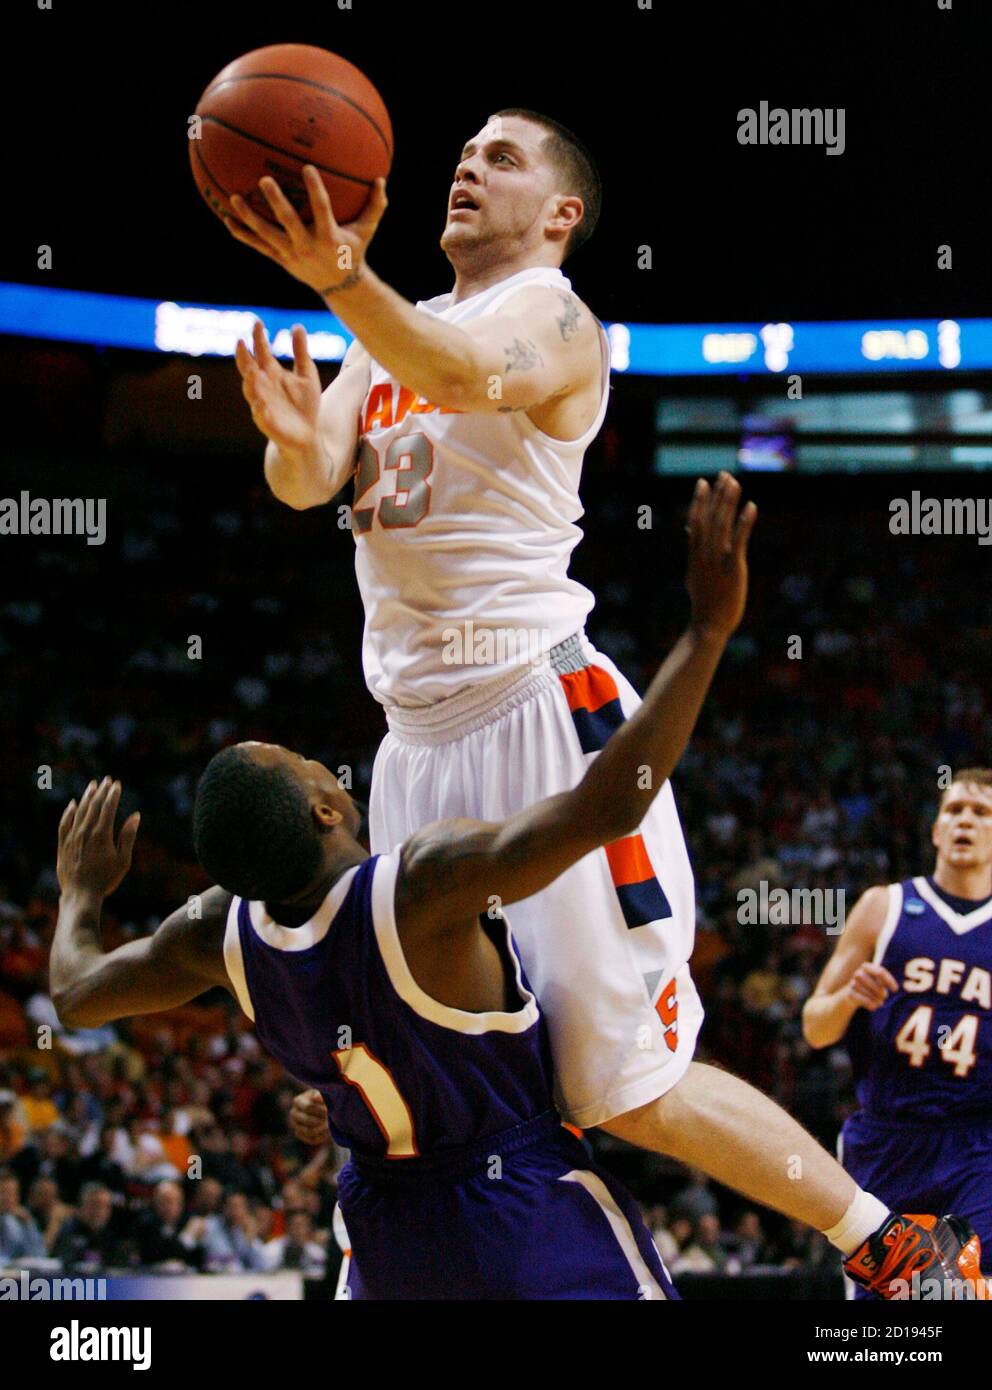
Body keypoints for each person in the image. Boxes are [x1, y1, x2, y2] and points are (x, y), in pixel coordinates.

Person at [226, 109, 956, 1287]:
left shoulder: (553, 318)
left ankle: (888, 1241)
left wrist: (341, 278)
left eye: (501, 157)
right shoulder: (388, 333)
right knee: (457, 1066)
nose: (466, 165)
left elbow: (453, 371)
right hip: (412, 743)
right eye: (462, 151)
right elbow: (312, 475)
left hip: (534, 716)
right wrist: (287, 436)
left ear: (560, 214)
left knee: (618, 1083)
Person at [48, 483, 981, 1298]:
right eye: (304, 761)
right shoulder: (419, 885)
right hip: (515, 1210)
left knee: (613, 1083)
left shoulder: (218, 933)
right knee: (624, 1085)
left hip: (383, 1219)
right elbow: (610, 804)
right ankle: (892, 1247)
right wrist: (705, 633)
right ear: (329, 803)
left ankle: (885, 1243)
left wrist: (81, 894)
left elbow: (80, 991)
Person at [804, 770, 992, 1295]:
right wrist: (849, 998)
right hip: (888, 1138)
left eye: (982, 813)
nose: (965, 821)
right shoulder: (883, 908)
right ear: (935, 830)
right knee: (890, 1305)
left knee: (971, 1289)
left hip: (978, 1141)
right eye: (954, 810)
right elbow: (815, 1027)